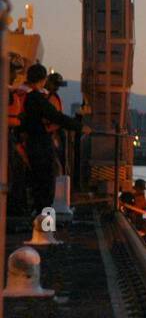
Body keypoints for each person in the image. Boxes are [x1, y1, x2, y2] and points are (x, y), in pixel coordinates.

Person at [18, 64, 81, 218]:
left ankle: (38, 219)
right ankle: (43, 226)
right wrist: (78, 126)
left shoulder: (24, 95)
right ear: (43, 80)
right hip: (39, 143)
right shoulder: (36, 98)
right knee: (45, 185)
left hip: (28, 142)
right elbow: (55, 116)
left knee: (37, 183)